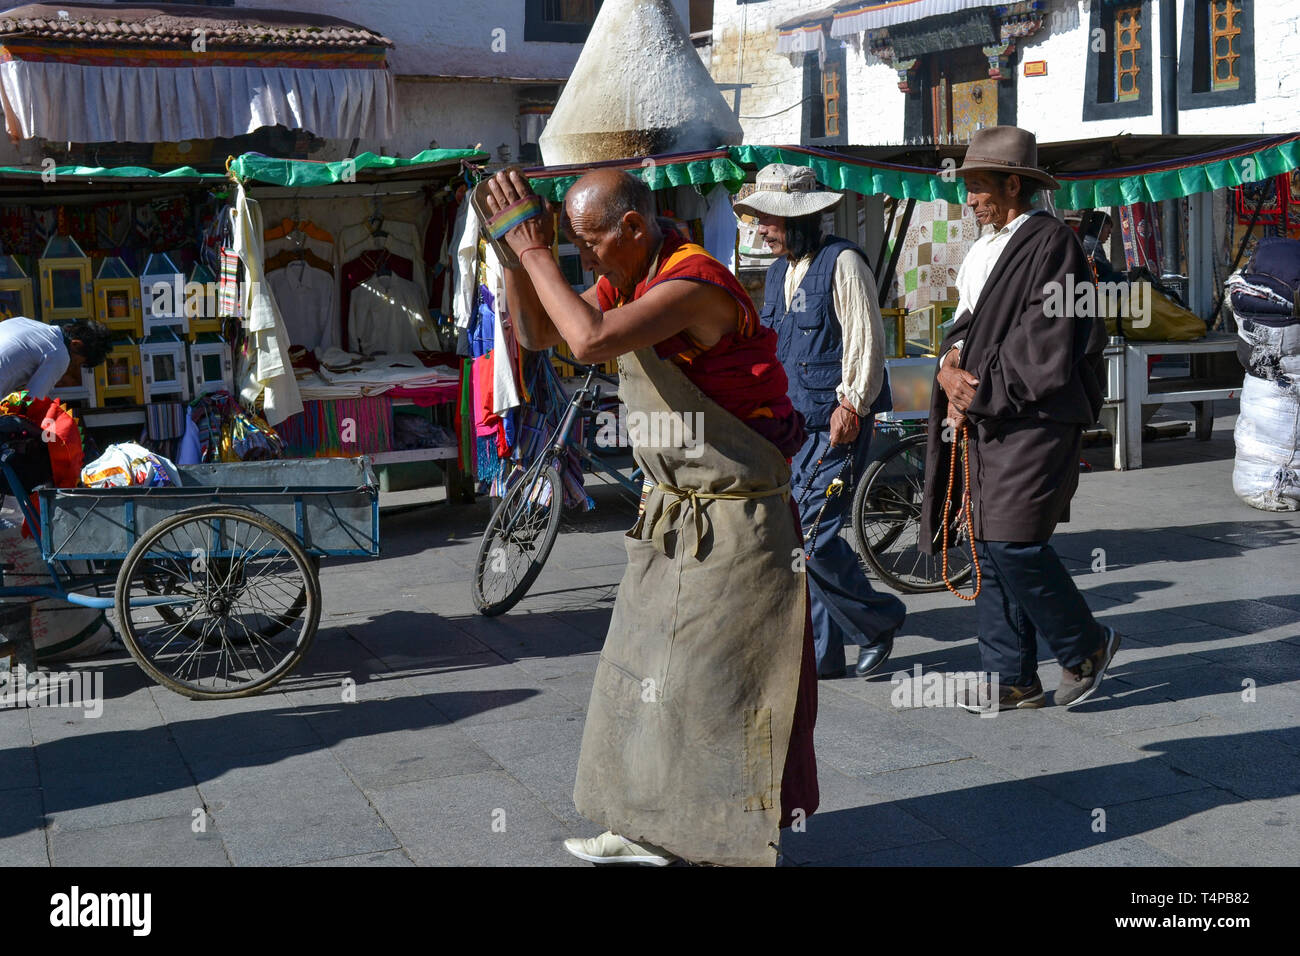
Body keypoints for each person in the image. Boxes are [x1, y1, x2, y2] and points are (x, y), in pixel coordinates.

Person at [481, 167, 817, 866]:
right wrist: (516, 256)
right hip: (672, 513)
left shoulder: (692, 283)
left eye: (589, 243)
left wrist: (535, 249)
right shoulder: (631, 276)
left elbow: (591, 340)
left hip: (738, 526)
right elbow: (544, 334)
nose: (585, 258)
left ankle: (711, 839)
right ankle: (642, 827)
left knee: (713, 688)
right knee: (637, 676)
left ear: (633, 228)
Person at [917, 126, 1121, 713]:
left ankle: (1085, 647)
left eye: (979, 187)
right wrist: (947, 365)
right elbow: (965, 323)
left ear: (1013, 184)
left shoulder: (1051, 242)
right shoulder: (984, 248)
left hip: (1035, 415)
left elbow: (1046, 341)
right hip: (987, 414)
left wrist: (972, 391)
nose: (970, 200)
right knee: (984, 541)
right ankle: (1011, 676)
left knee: (1014, 540)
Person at [734, 164, 905, 679]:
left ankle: (877, 622)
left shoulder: (844, 262)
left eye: (770, 220)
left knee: (813, 535)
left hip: (837, 421)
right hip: (793, 425)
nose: (762, 229)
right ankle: (822, 653)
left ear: (800, 219)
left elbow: (865, 341)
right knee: (793, 537)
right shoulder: (778, 273)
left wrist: (852, 404)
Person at [0, 318, 112, 399]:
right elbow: (31, 402)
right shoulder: (60, 354)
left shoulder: (24, 322)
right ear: (76, 344)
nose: (73, 367)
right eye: (79, 363)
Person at [1081, 212, 1126, 283]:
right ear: (1099, 227)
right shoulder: (1092, 243)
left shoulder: (1085, 239)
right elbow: (1106, 269)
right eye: (1108, 228)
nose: (1110, 233)